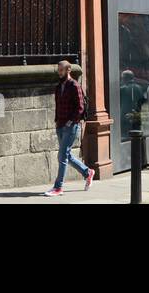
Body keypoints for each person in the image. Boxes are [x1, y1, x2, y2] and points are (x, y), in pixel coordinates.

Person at [44, 60, 93, 196]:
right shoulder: (59, 86)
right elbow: (58, 105)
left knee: (62, 155)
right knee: (67, 155)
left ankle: (58, 187)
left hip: (71, 126)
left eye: (61, 70)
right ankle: (87, 172)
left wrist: (71, 121)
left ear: (68, 70)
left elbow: (80, 107)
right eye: (58, 70)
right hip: (60, 124)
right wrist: (57, 121)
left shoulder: (74, 85)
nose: (59, 72)